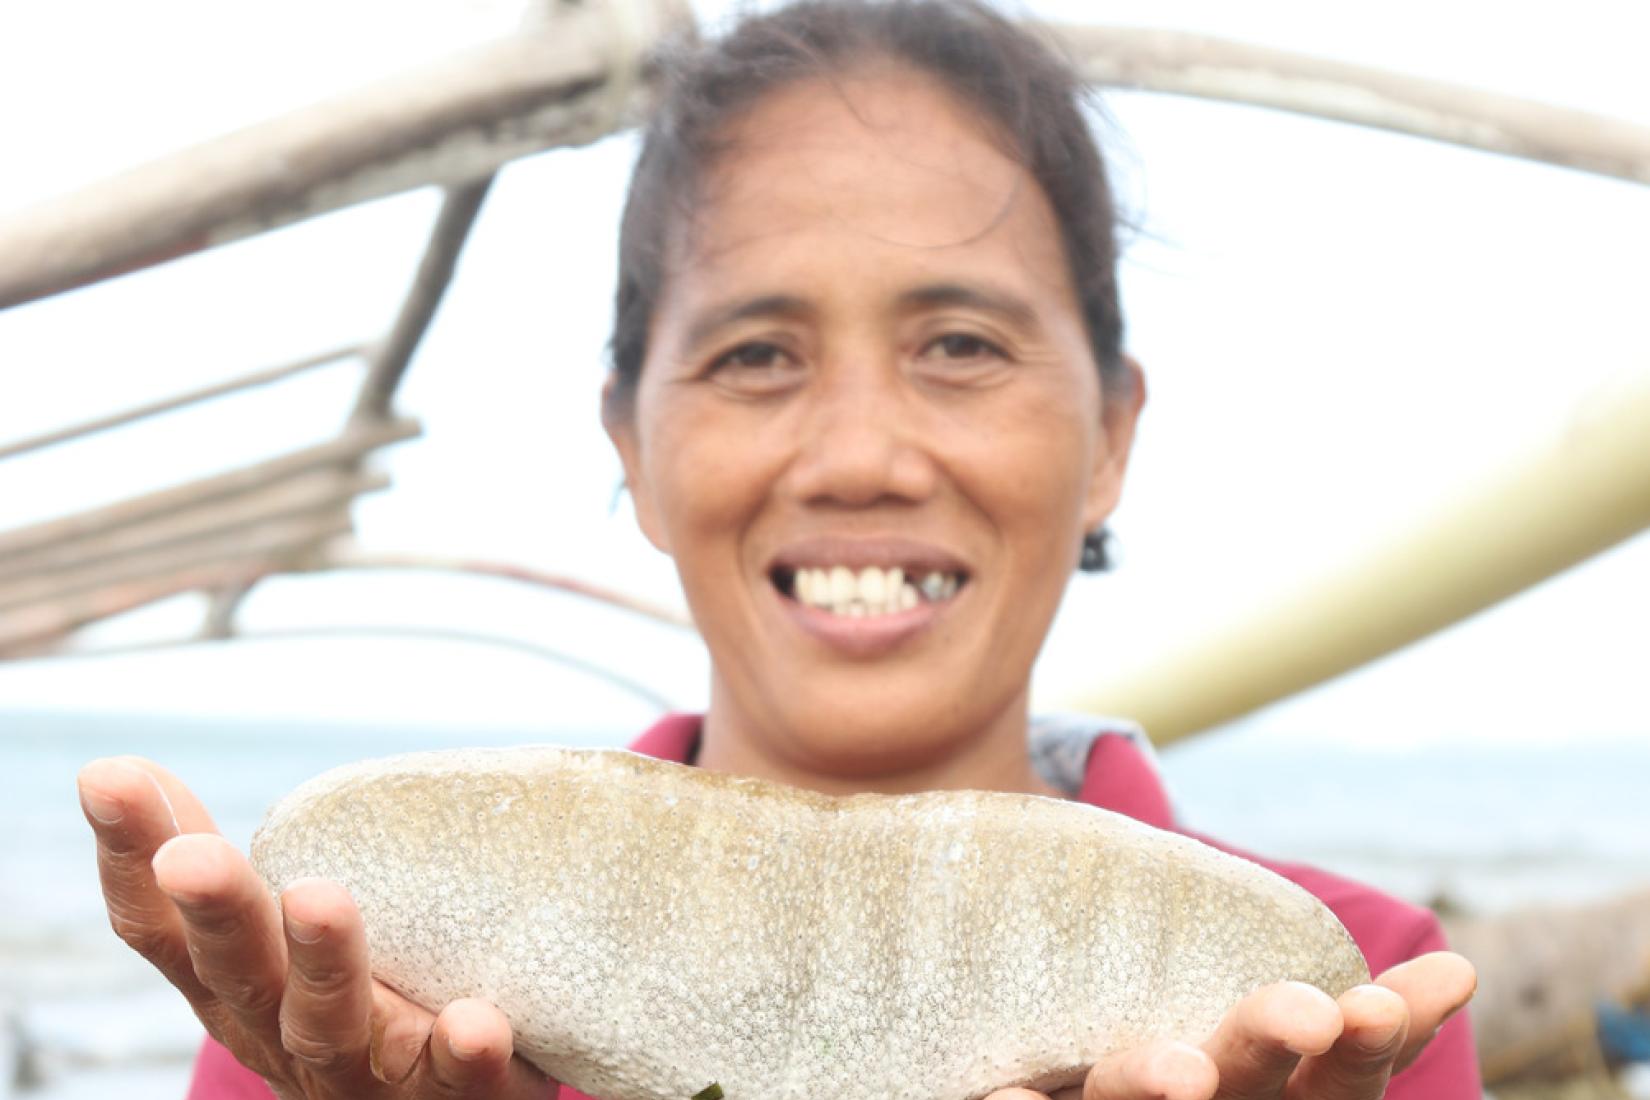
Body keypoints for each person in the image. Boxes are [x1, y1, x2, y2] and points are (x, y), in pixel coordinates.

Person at [76, 1, 1481, 1097]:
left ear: (1109, 432)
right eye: (755, 355)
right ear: (627, 438)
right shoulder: (363, 990)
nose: (860, 452)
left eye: (960, 346)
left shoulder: (1345, 1007)